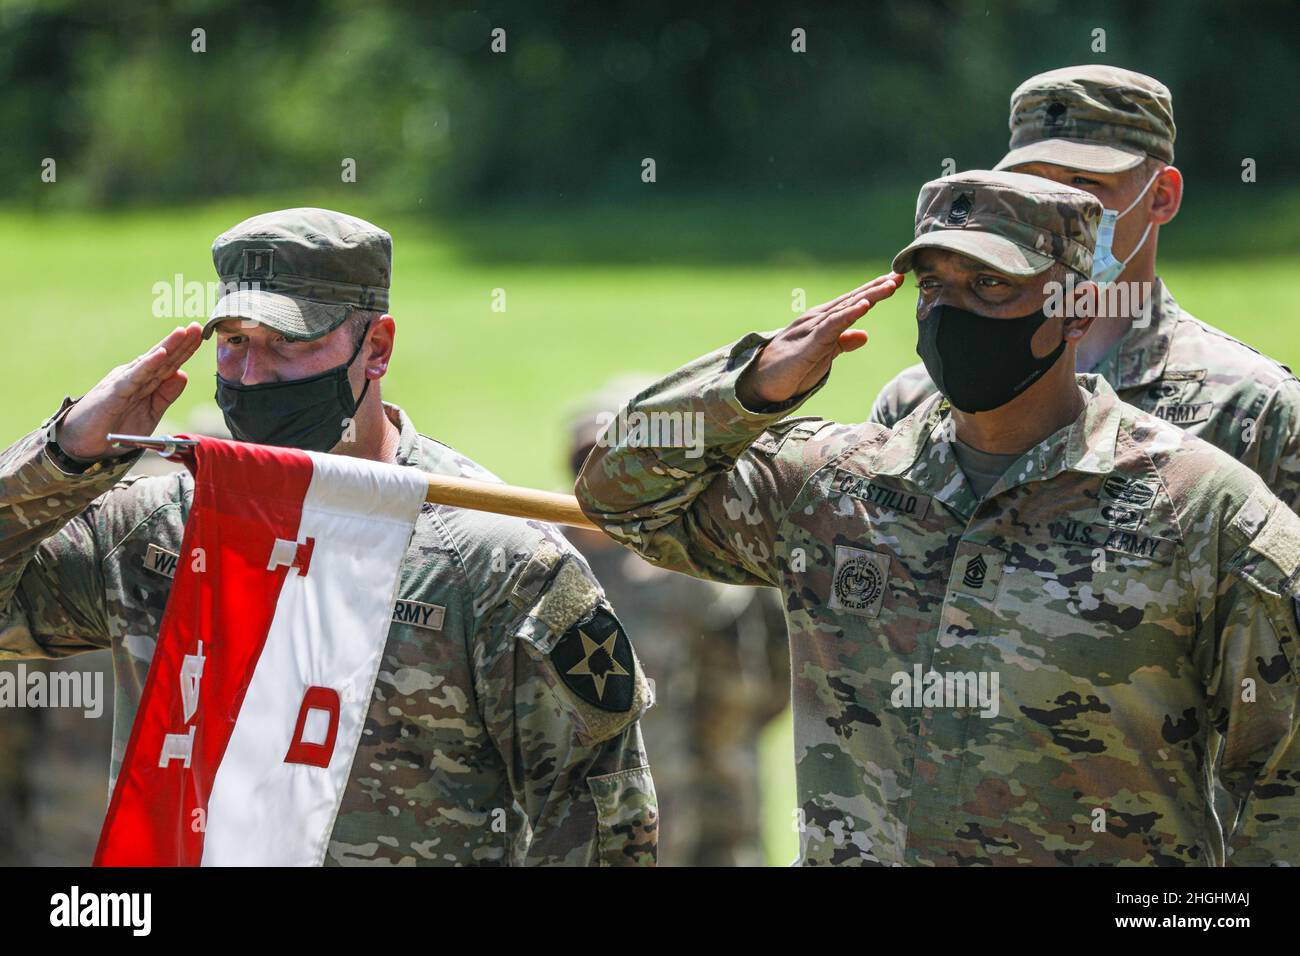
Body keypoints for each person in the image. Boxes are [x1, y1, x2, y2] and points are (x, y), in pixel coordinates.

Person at [576, 171, 1300, 866]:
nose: (954, 311)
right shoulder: (831, 484)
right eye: (935, 286)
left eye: (991, 285)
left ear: (1078, 307)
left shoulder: (1200, 510)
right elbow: (619, 494)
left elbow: (1282, 786)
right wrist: (748, 388)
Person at [0, 207, 657, 866]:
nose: (252, 375)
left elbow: (605, 823)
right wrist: (63, 455)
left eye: (289, 343)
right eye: (234, 342)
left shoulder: (496, 563)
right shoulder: (158, 526)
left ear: (377, 348)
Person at [871, 65, 1300, 511]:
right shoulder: (919, 399)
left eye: (1084, 182)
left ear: (1162, 196)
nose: (1057, 210)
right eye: (1034, 183)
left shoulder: (1252, 406)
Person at [564, 379, 790, 865]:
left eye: (641, 469)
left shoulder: (730, 565)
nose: (619, 486)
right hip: (614, 823)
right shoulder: (553, 567)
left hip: (723, 811)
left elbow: (777, 684)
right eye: (595, 469)